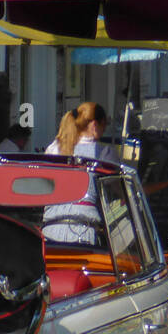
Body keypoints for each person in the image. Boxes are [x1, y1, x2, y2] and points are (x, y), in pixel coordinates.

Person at [43, 102, 119, 244]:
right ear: (95, 125)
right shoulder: (105, 153)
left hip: (50, 229)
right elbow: (118, 189)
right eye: (104, 126)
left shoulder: (53, 148)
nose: (104, 131)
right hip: (83, 232)